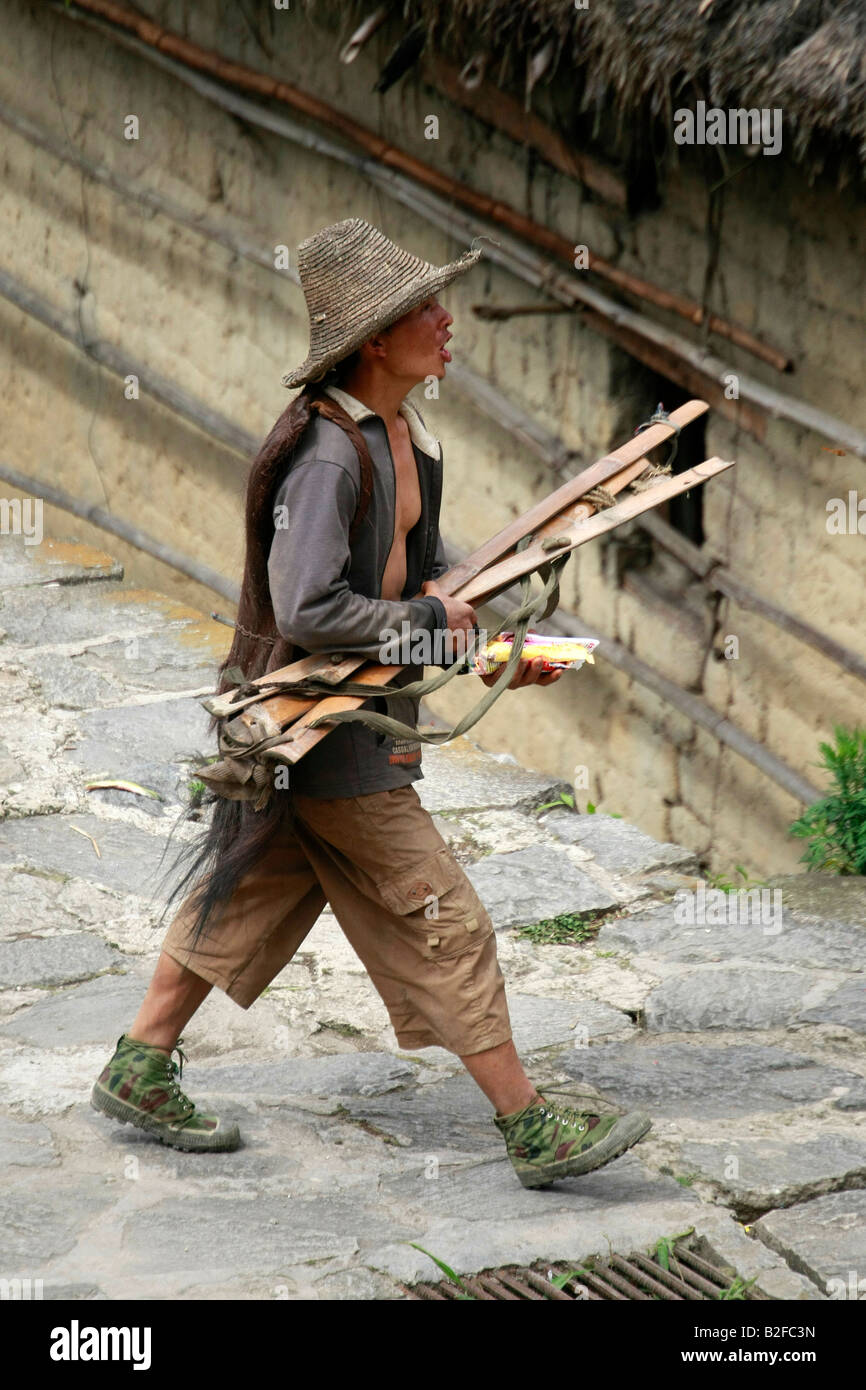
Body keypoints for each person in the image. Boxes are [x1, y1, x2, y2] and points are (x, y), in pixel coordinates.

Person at [91, 218, 651, 1189]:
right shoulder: (322, 459)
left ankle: (140, 1062)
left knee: (251, 888)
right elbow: (310, 606)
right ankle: (527, 1127)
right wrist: (436, 625)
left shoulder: (403, 438)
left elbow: (423, 576)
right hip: (322, 730)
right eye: (420, 311)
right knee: (444, 916)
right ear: (372, 342)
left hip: (341, 721)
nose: (445, 322)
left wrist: (493, 647)